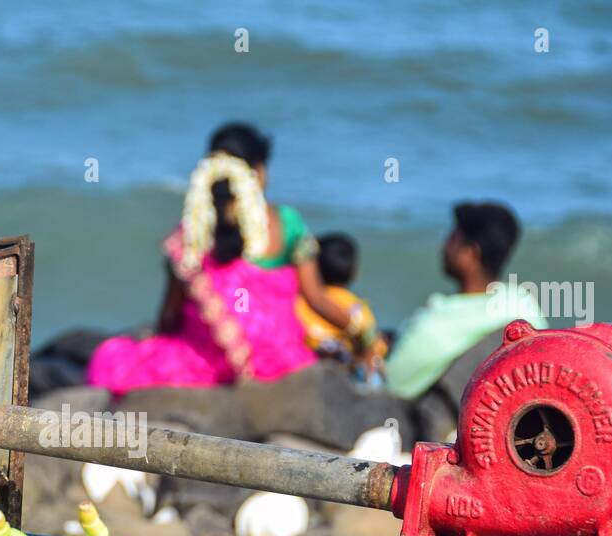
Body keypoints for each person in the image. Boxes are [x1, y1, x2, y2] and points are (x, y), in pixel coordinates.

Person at [86, 123, 358, 397]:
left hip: (210, 361)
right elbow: (316, 298)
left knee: (111, 357)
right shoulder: (287, 223)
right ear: (259, 172)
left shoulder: (192, 232)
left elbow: (169, 317)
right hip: (283, 359)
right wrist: (363, 333)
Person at [386, 201, 546, 401]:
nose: (444, 246)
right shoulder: (522, 303)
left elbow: (393, 383)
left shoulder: (436, 323)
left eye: (453, 238)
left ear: (470, 253)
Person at [295, 232, 385, 369]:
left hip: (307, 363)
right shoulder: (357, 309)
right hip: (342, 370)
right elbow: (374, 346)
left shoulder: (300, 301)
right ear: (355, 272)